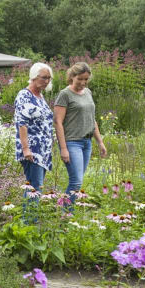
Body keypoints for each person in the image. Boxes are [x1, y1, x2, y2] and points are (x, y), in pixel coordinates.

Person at [53, 62, 107, 209]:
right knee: (76, 181)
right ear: (72, 76)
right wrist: (63, 148)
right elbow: (58, 122)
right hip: (72, 143)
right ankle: (65, 213)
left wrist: (100, 142)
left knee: (77, 181)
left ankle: (64, 210)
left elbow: (92, 119)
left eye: (86, 79)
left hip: (86, 143)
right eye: (80, 79)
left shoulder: (88, 92)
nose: (83, 83)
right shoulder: (65, 94)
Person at [14, 62, 54, 213]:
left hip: (43, 149)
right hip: (32, 149)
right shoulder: (24, 95)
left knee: (36, 185)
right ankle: (29, 221)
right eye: (44, 78)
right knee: (34, 187)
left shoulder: (40, 96)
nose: (47, 81)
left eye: (49, 78)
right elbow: (21, 123)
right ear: (34, 77)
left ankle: (31, 219)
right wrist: (26, 149)